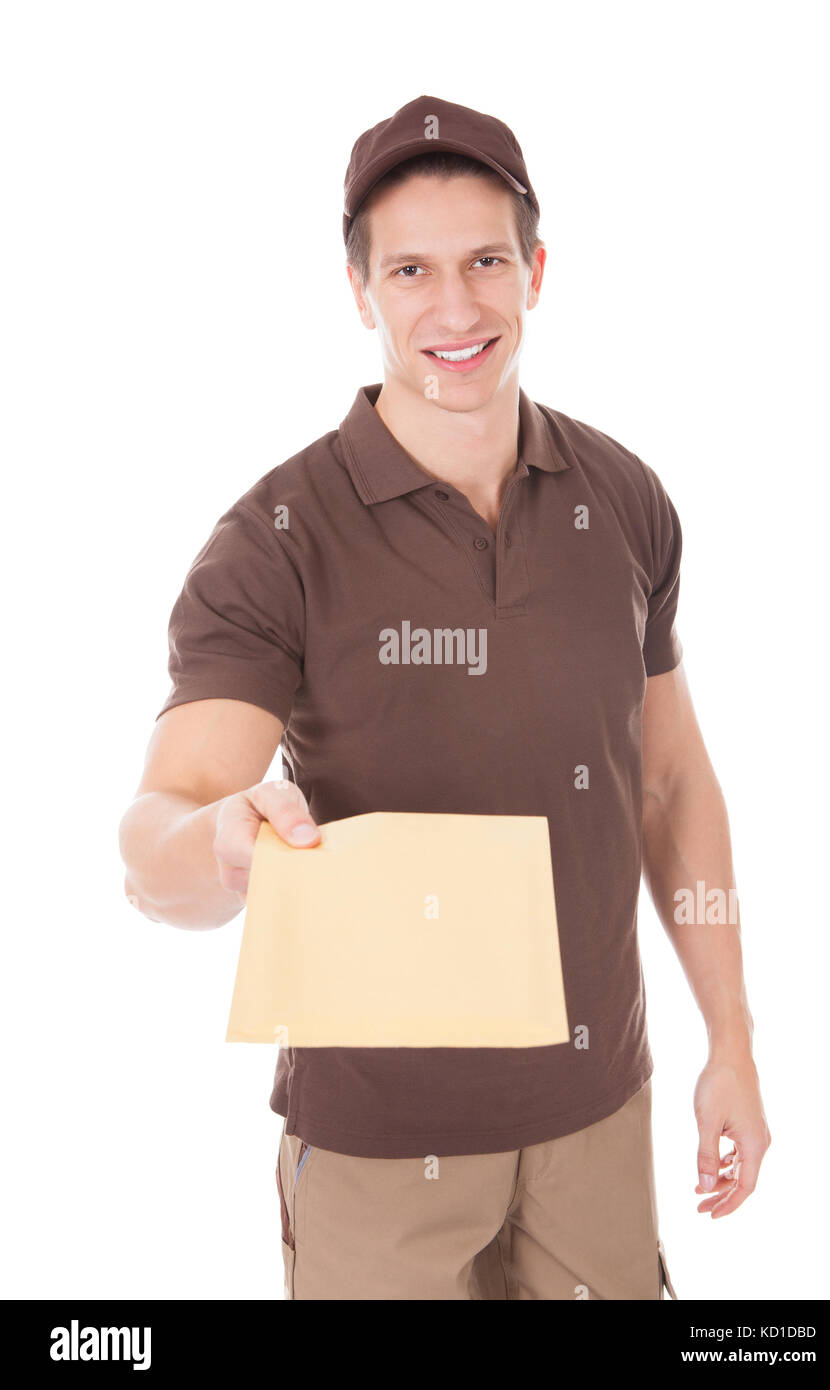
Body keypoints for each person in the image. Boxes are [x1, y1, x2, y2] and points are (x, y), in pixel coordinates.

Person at [118, 94, 770, 1300]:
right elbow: (158, 829)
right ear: (360, 292)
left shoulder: (620, 497)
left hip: (595, 1120)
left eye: (483, 261)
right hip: (376, 1147)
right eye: (410, 269)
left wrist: (728, 1040)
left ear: (535, 269)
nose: (455, 308)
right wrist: (214, 845)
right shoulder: (277, 539)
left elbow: (671, 781)